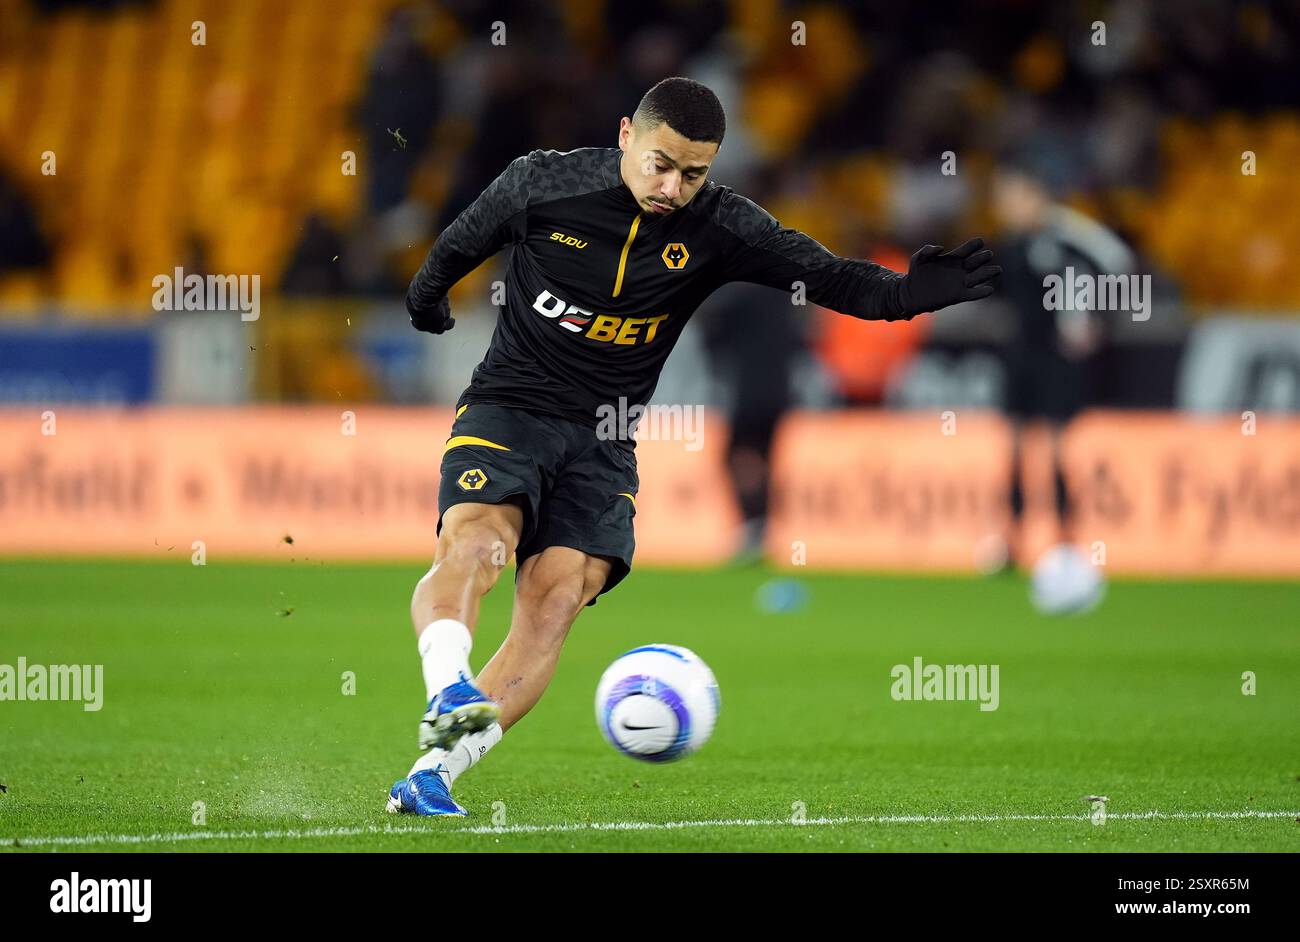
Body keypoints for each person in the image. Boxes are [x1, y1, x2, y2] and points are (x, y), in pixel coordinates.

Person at [389, 77, 1000, 815]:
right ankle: (447, 686)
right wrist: (426, 303)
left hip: (605, 440)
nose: (672, 187)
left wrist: (905, 294)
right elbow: (454, 248)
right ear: (625, 136)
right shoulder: (540, 183)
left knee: (553, 606)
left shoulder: (721, 226)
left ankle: (434, 775)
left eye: (693, 172)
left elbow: (831, 277)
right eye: (660, 163)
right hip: (509, 409)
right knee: (481, 544)